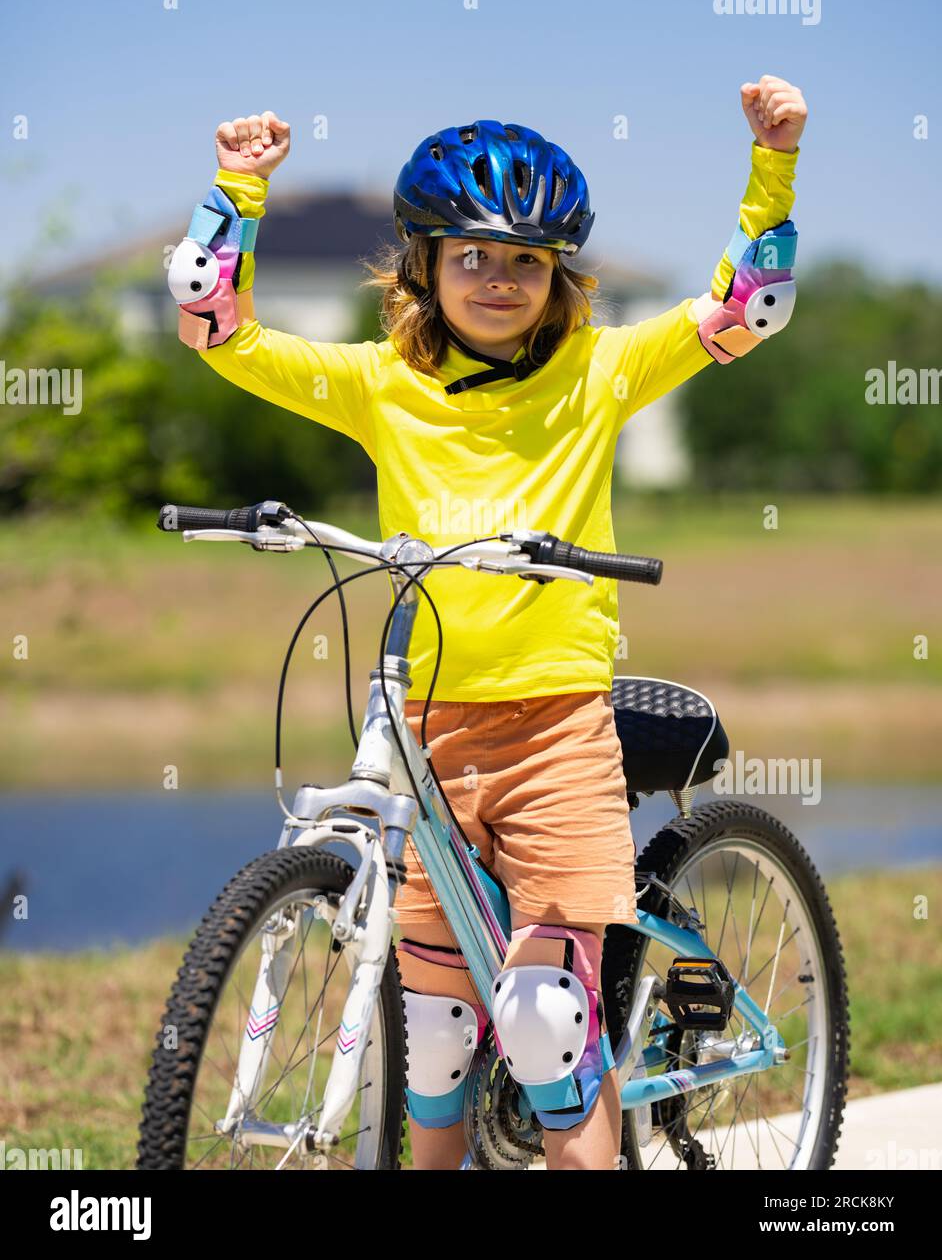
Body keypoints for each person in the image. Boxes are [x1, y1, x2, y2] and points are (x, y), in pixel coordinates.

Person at [168, 80, 807, 1169]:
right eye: (470, 255)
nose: (499, 279)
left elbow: (746, 307)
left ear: (559, 272)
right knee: (437, 1045)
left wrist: (771, 162)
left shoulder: (596, 370)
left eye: (525, 259)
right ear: (423, 266)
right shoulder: (382, 387)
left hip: (556, 730)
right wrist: (238, 190)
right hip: (431, 730)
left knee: (545, 1018)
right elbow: (217, 333)